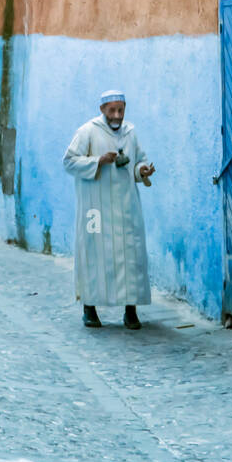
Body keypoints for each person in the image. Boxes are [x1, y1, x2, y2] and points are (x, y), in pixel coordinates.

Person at [62, 90, 156, 329]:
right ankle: (90, 309)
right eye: (112, 110)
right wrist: (98, 161)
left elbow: (139, 160)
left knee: (130, 256)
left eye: (121, 110)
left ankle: (131, 310)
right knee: (95, 256)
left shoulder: (130, 132)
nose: (117, 115)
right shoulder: (87, 131)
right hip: (97, 208)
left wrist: (142, 170)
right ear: (102, 109)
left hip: (126, 207)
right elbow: (69, 161)